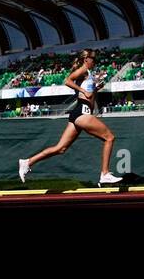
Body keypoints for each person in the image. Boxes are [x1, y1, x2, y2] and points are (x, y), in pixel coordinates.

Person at [18, 50, 121, 185]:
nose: (94, 62)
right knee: (109, 138)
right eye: (92, 59)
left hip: (78, 113)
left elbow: (88, 93)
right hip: (82, 111)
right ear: (86, 60)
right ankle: (105, 174)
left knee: (60, 148)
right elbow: (67, 80)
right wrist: (83, 91)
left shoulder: (87, 73)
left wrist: (96, 89)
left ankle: (28, 162)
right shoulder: (83, 70)